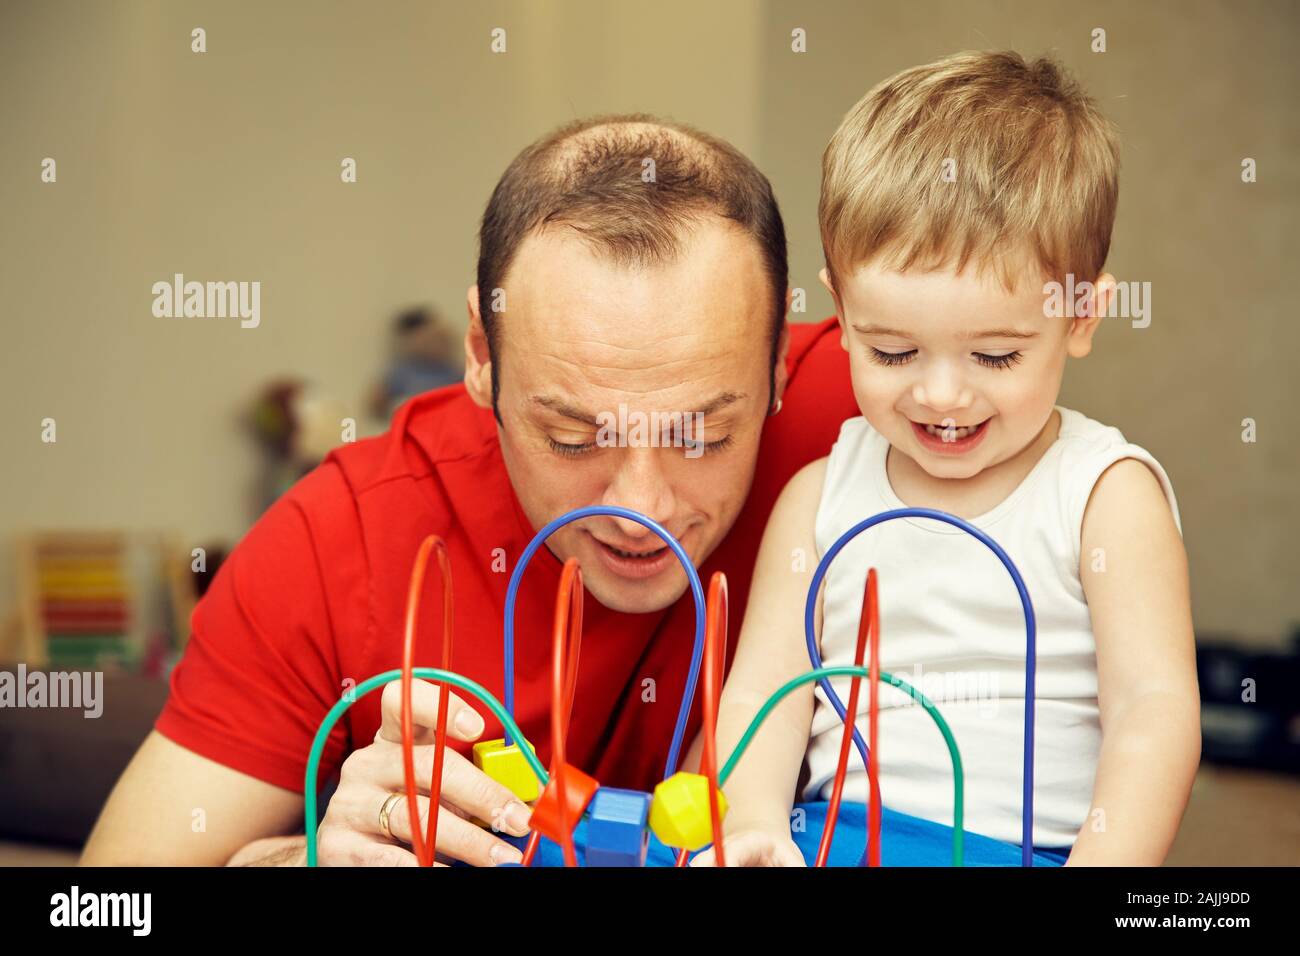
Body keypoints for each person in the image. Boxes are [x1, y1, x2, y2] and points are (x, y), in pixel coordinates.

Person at [80, 114, 859, 866]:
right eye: (574, 437)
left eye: (704, 436)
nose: (640, 507)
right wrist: (305, 858)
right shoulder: (337, 540)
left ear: (777, 370)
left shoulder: (892, 405)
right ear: (483, 357)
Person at [694, 52, 1200, 867]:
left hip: (1024, 851)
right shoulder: (820, 498)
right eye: (891, 351)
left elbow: (1154, 710)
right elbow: (763, 695)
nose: (940, 396)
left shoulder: (1104, 494)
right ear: (842, 311)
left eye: (995, 357)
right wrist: (753, 825)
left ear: (1083, 316)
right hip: (832, 841)